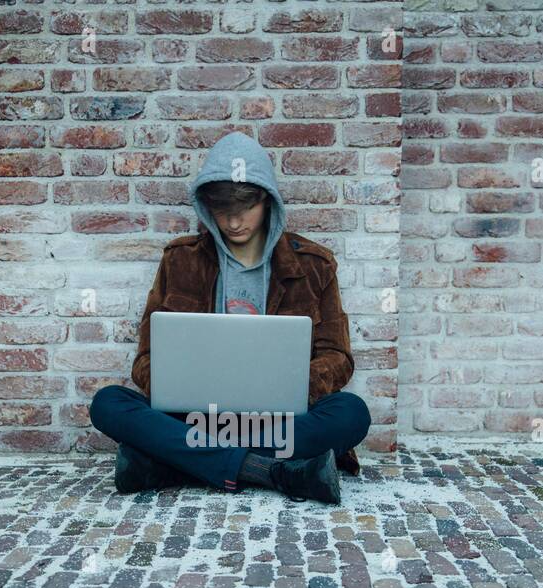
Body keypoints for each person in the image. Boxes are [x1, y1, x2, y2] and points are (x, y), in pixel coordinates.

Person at [89, 132, 371, 505]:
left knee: (351, 413)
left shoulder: (314, 265)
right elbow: (147, 357)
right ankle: (274, 471)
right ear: (206, 207)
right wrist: (186, 384)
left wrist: (289, 387)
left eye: (246, 208)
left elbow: (337, 356)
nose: (235, 222)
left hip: (272, 420)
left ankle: (169, 463)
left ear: (268, 201)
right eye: (222, 210)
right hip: (195, 415)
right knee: (108, 403)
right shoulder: (181, 260)